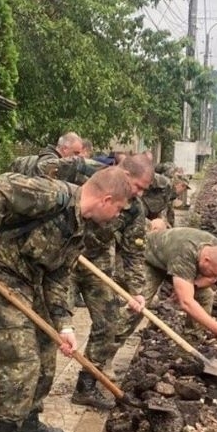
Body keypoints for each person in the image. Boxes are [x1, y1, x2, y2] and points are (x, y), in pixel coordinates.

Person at [0, 168, 131, 432]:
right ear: (107, 199)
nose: (117, 216)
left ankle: (28, 419)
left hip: (28, 280)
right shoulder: (50, 195)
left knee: (47, 347)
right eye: (119, 209)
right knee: (21, 358)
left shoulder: (80, 226)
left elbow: (59, 274)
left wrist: (65, 325)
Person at [69, 155, 154, 409]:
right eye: (137, 186)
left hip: (96, 264)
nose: (138, 193)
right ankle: (30, 406)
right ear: (123, 173)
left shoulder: (135, 209)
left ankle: (87, 386)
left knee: (109, 323)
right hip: (61, 259)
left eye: (143, 190)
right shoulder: (85, 175)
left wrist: (136, 292)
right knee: (55, 324)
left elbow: (133, 251)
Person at [114, 227, 217, 347]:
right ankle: (105, 351)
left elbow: (211, 278)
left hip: (175, 263)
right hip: (150, 259)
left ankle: (190, 346)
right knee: (138, 305)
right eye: (213, 274)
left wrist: (190, 286)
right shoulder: (185, 253)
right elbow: (186, 303)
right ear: (206, 260)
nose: (215, 279)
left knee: (205, 296)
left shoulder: (216, 249)